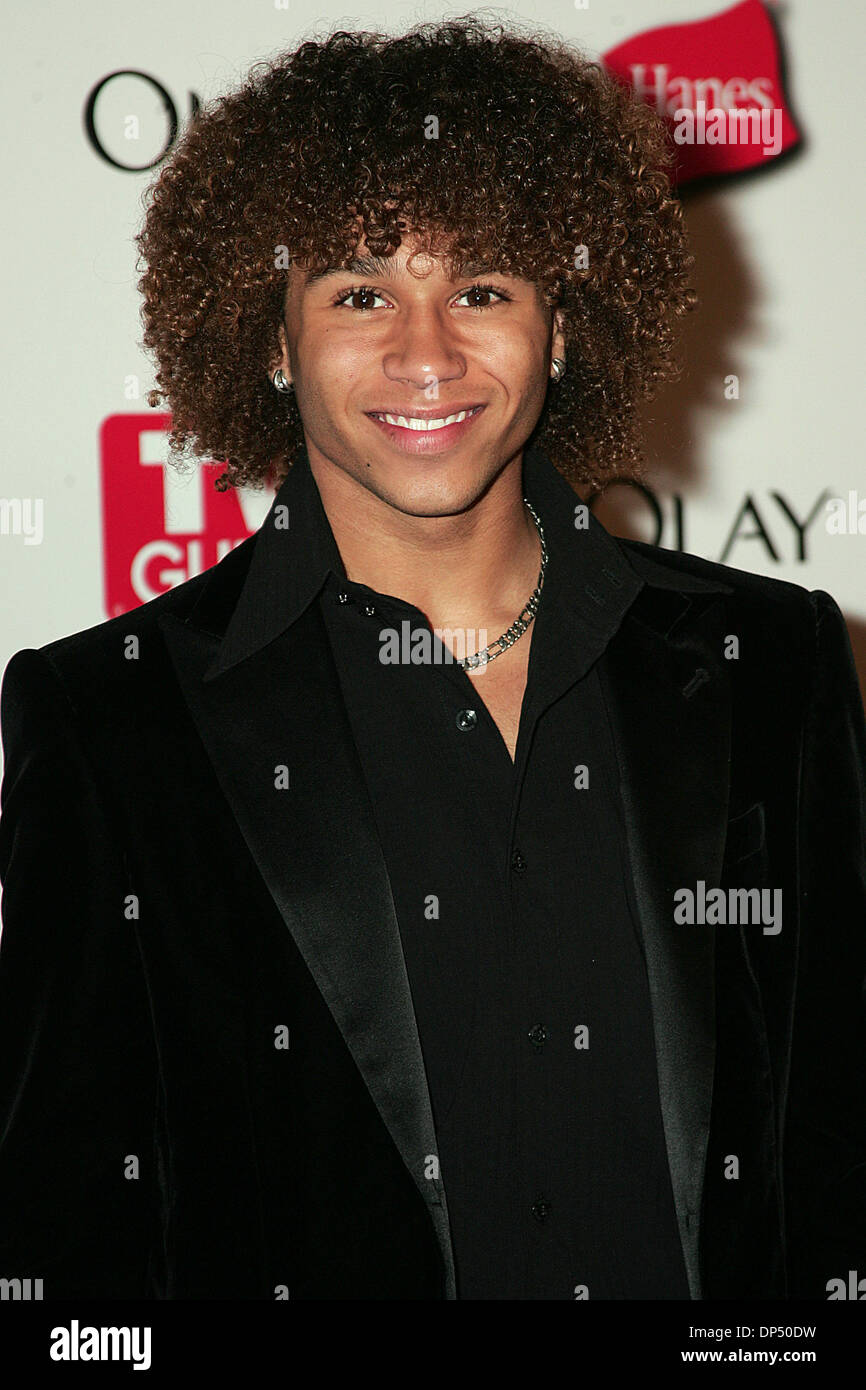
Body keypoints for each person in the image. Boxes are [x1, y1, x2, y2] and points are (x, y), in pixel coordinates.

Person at [0, 15, 864, 1301]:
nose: (426, 354)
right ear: (272, 339)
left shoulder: (770, 663)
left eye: (481, 287)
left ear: (560, 326)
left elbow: (837, 1147)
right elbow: (69, 1251)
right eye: (359, 293)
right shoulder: (108, 716)